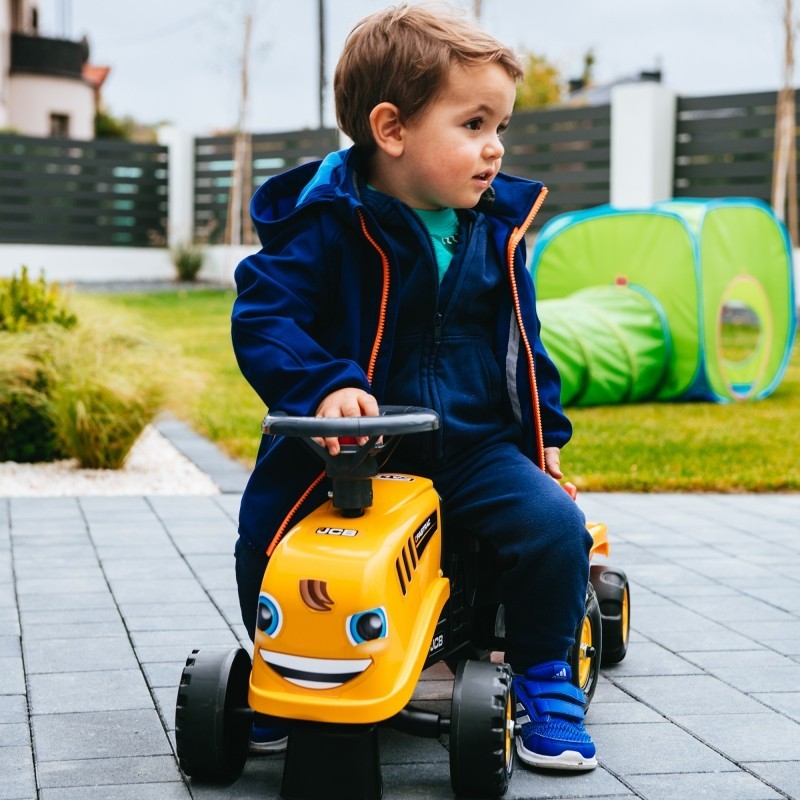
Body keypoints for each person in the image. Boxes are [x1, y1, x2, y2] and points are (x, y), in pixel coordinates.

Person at [231, 2, 596, 772]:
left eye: (501, 127)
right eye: (474, 124)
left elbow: (523, 344)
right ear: (391, 130)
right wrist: (323, 386)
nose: (495, 148)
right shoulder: (325, 225)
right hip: (348, 454)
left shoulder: (494, 231)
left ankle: (545, 674)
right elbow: (266, 316)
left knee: (556, 530)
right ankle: (287, 660)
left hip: (471, 449)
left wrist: (546, 437)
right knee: (268, 534)